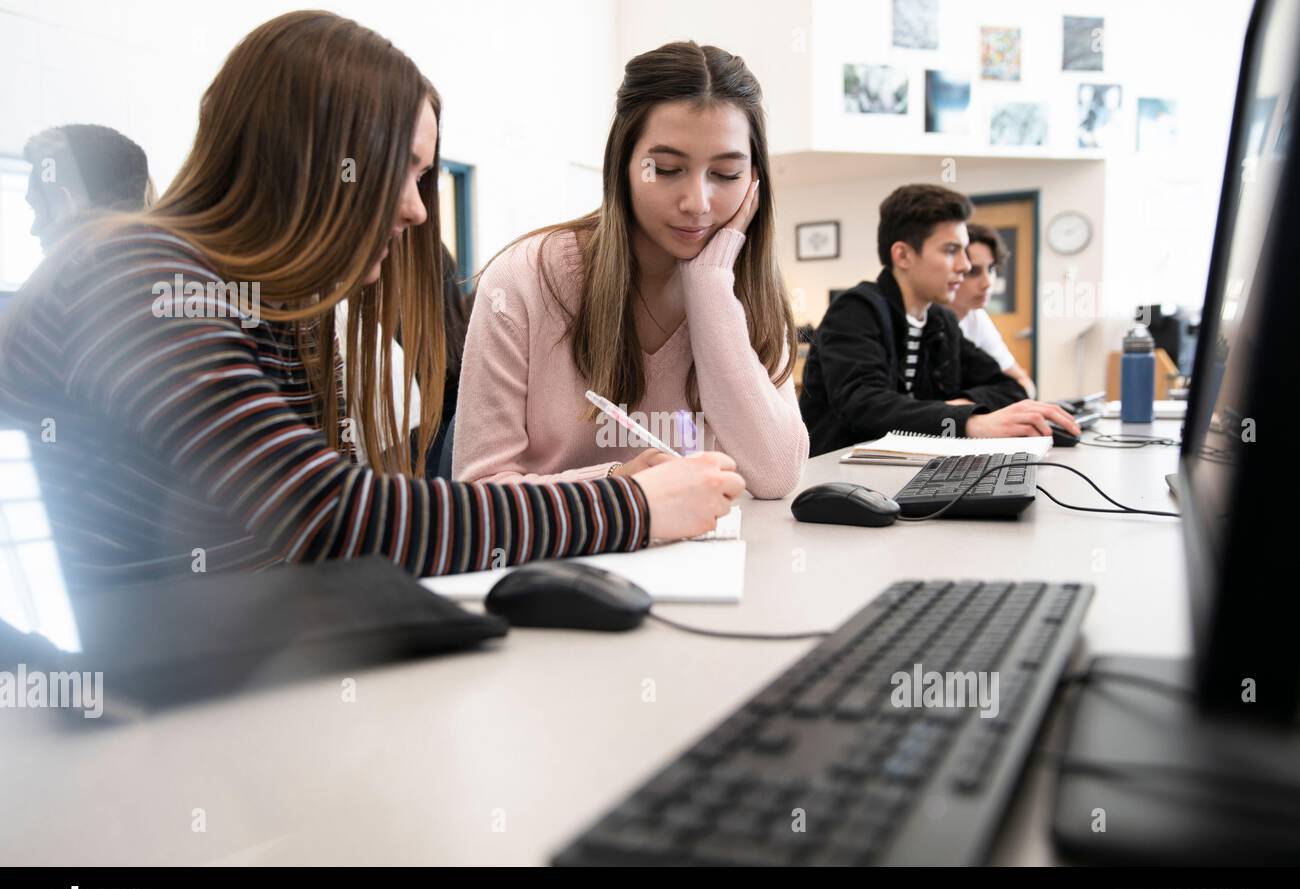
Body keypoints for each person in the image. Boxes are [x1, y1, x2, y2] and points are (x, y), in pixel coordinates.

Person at [0, 11, 743, 591]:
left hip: (215, 670)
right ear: (318, 162)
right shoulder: (137, 278)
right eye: (404, 172)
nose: (419, 211)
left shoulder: (257, 308)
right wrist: (633, 508)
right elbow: (333, 517)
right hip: (132, 731)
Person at [453, 41, 808, 499]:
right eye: (665, 169)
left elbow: (775, 476)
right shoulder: (524, 278)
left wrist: (711, 285)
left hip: (703, 559)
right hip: (558, 562)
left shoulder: (745, 287)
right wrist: (621, 488)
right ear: (622, 164)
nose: (697, 204)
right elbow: (476, 494)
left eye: (725, 175)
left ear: (754, 183)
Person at [798, 184, 1077, 455]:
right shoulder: (856, 310)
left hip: (911, 469)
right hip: (841, 479)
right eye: (950, 250)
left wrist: (963, 405)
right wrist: (968, 420)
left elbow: (1009, 387)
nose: (965, 266)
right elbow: (865, 406)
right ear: (903, 255)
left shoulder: (940, 320)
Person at [22, 124, 153, 255]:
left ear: (65, 203)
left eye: (35, 208)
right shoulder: (166, 264)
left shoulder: (78, 273)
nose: (34, 229)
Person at [949, 222, 1037, 398]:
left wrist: (967, 409)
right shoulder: (925, 320)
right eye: (972, 272)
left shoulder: (976, 316)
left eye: (991, 269)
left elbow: (1024, 383)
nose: (988, 282)